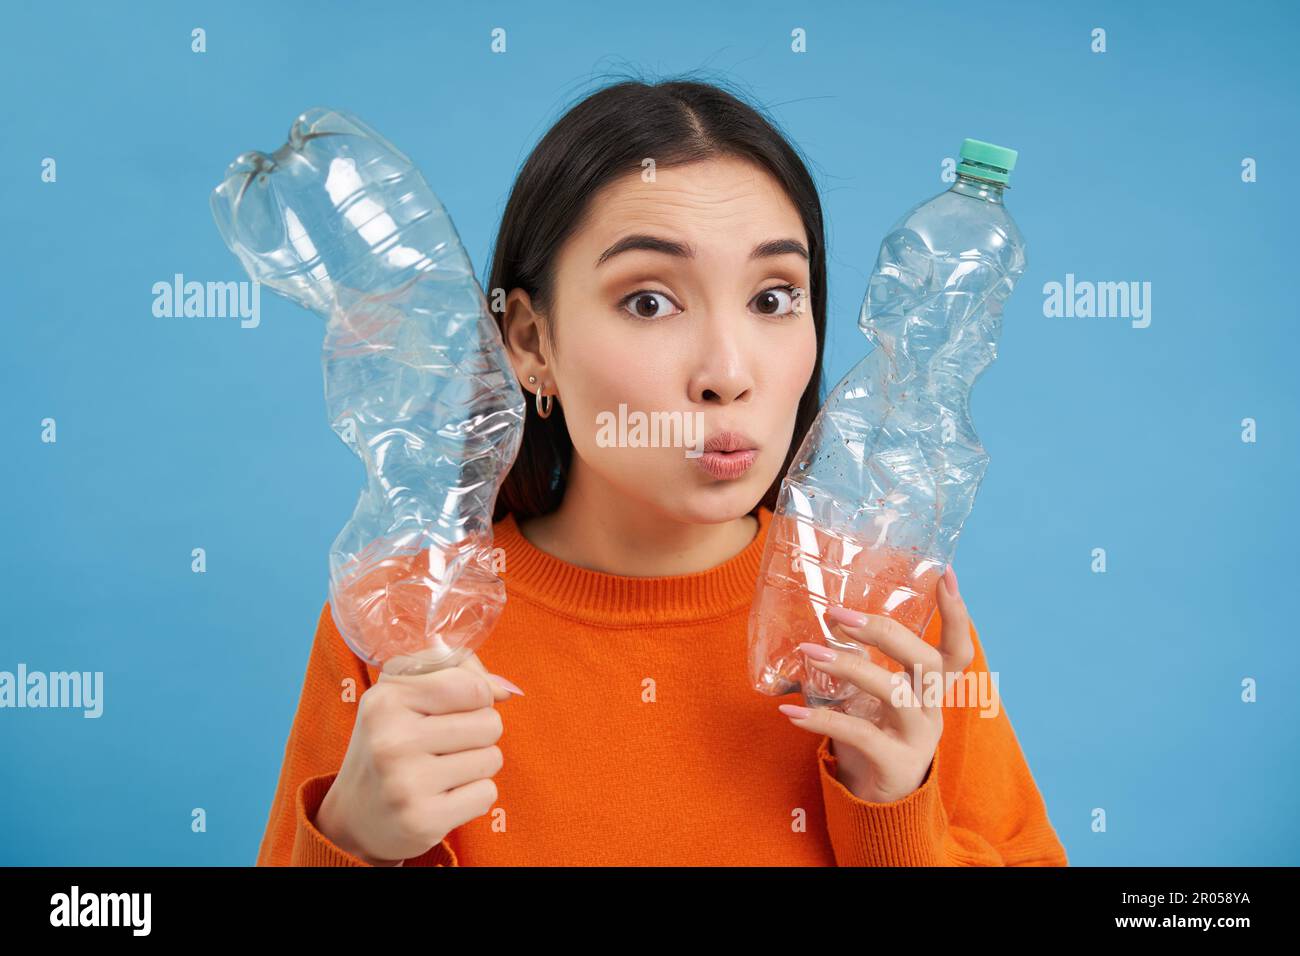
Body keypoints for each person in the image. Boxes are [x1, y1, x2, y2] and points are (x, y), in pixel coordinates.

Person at [255, 75, 1069, 867]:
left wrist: (895, 820)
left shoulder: (878, 618)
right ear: (532, 343)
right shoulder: (405, 625)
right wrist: (354, 846)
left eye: (774, 298)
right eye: (650, 300)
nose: (728, 371)